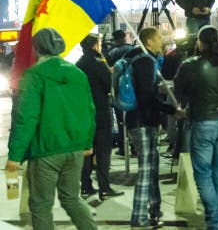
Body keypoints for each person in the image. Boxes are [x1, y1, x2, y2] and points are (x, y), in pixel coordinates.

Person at [6, 28, 97, 230]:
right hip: (74, 149)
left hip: (46, 151)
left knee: (40, 204)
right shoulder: (77, 73)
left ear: (36, 48)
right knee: (71, 198)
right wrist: (88, 143)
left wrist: (15, 154)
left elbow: (26, 117)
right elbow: (90, 110)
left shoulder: (33, 75)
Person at [174, 26, 218, 230]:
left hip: (204, 123)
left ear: (201, 43)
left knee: (203, 174)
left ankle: (215, 220)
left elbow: (180, 91)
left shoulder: (190, 65)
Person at [125, 27, 181, 228]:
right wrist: (171, 110)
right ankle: (139, 218)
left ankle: (154, 211)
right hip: (143, 122)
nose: (162, 41)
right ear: (148, 42)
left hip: (136, 120)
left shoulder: (135, 58)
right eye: (158, 38)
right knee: (146, 170)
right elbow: (147, 97)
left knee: (153, 167)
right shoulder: (146, 61)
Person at [76, 34, 123, 201]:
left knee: (87, 151)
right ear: (95, 46)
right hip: (101, 113)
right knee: (103, 151)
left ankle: (86, 186)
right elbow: (108, 86)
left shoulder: (78, 65)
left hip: (83, 113)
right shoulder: (99, 63)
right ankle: (104, 187)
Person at [106, 29, 134, 156]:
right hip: (133, 91)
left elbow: (108, 71)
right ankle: (134, 148)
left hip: (119, 91)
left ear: (115, 39)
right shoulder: (132, 49)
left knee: (121, 121)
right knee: (133, 120)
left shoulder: (112, 52)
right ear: (124, 37)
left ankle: (123, 148)